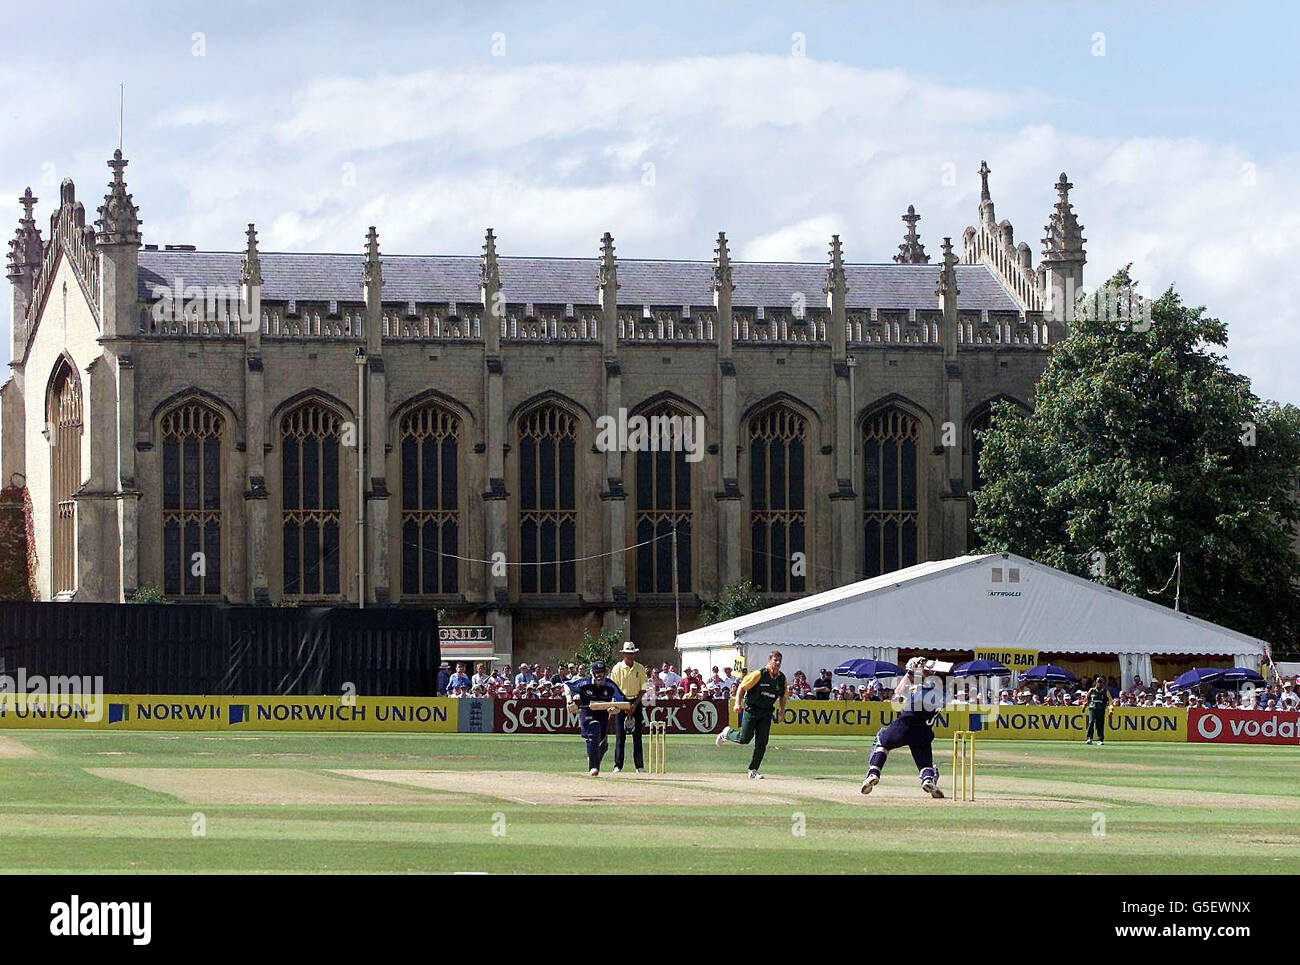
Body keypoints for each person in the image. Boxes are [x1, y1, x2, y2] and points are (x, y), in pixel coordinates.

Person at [861, 656, 945, 798]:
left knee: (882, 740)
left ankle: (873, 773)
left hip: (905, 725)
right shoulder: (941, 693)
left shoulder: (919, 688)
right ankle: (928, 779)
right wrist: (919, 671)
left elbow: (897, 695)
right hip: (924, 731)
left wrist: (910, 672)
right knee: (924, 761)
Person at [714, 650, 788, 779]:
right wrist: (737, 703)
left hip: (766, 713)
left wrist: (782, 712)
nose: (777, 663)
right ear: (769, 660)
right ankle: (727, 733)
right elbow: (742, 687)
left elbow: (783, 697)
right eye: (775, 660)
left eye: (779, 661)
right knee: (744, 739)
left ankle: (753, 770)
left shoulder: (782, 679)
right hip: (752, 709)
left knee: (762, 742)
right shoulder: (759, 674)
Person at [564, 661, 628, 777]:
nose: (599, 675)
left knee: (602, 743)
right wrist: (570, 701)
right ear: (591, 672)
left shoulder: (610, 685)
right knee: (593, 730)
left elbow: (622, 701)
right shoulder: (584, 683)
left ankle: (594, 756)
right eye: (596, 672)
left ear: (606, 672)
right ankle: (594, 767)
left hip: (603, 715)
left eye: (602, 672)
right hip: (587, 713)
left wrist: (615, 708)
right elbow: (566, 685)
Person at [609, 640, 649, 774]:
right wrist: (625, 705)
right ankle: (618, 765)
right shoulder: (617, 668)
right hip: (621, 701)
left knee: (637, 736)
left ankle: (639, 766)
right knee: (620, 736)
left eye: (632, 653)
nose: (630, 655)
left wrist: (634, 705)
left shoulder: (640, 668)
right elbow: (614, 689)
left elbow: (643, 688)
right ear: (624, 653)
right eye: (627, 653)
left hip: (636, 701)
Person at [1084, 675, 1110, 744]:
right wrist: (1085, 705)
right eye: (1098, 682)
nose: (1100, 684)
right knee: (1091, 722)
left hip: (1101, 709)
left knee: (1100, 724)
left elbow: (1110, 700)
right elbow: (1086, 698)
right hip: (1092, 708)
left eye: (1101, 682)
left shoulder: (1105, 691)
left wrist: (1110, 708)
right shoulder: (1092, 690)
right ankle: (1089, 738)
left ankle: (1100, 739)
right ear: (1096, 683)